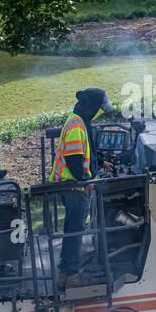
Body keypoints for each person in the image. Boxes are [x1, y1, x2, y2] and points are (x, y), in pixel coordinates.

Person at [50, 89, 113, 285]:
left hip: (72, 186)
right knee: (76, 231)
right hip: (74, 187)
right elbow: (75, 162)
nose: (98, 113)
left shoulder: (79, 120)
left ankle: (67, 270)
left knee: (72, 229)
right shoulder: (77, 126)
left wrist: (100, 162)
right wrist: (87, 181)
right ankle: (71, 274)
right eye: (98, 109)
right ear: (92, 106)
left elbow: (85, 150)